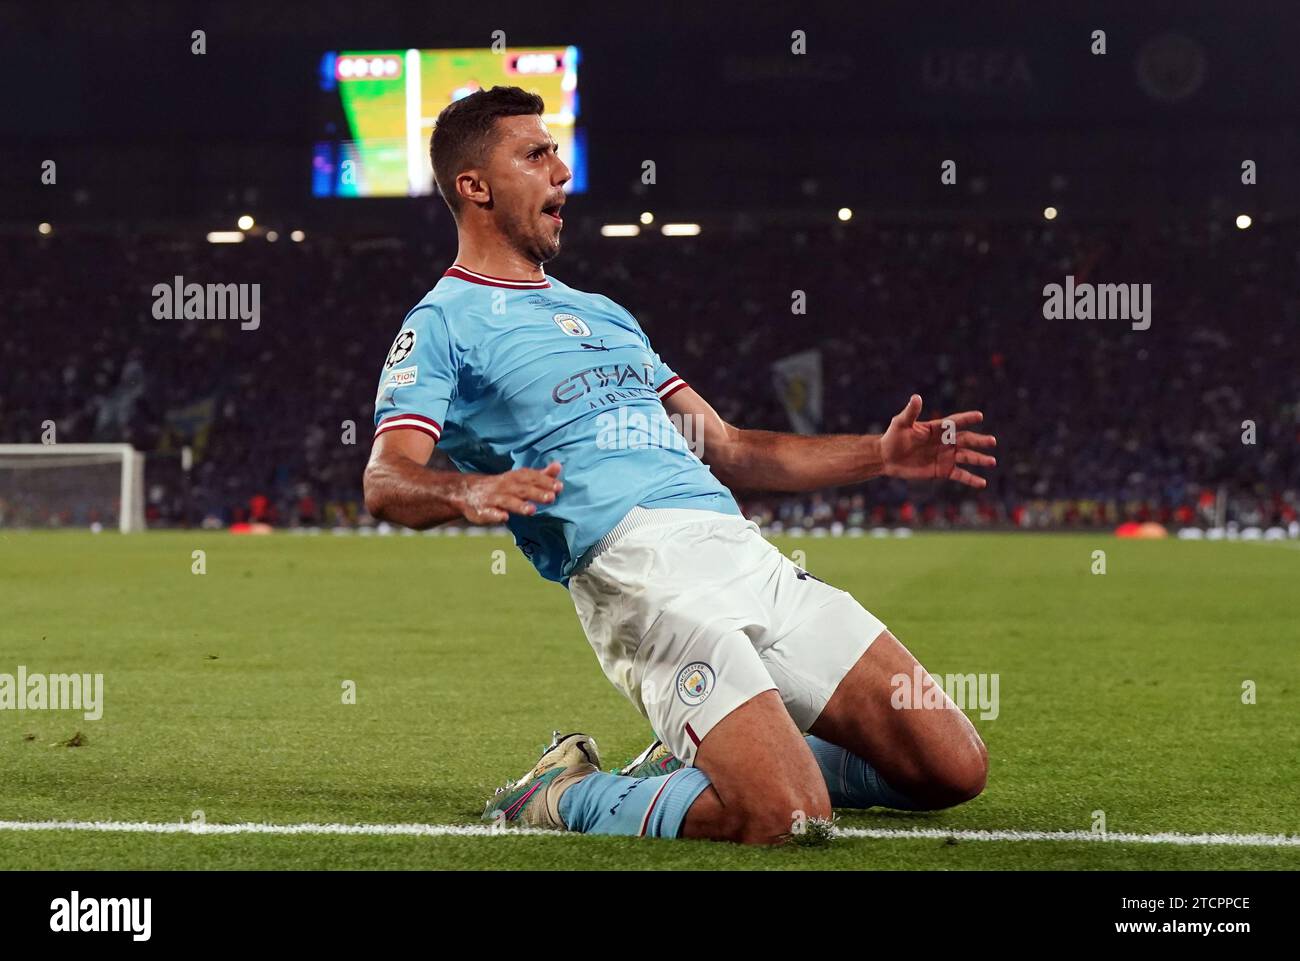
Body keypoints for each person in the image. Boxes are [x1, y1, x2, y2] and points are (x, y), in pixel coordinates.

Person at [362, 86, 996, 844]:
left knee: (954, 768)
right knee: (790, 819)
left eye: (556, 151)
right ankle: (560, 792)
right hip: (640, 578)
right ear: (474, 185)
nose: (562, 171)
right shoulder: (442, 323)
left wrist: (880, 455)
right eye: (535, 154)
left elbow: (727, 446)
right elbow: (385, 479)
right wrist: (473, 489)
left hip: (745, 555)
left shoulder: (605, 314)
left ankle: (715, 758)